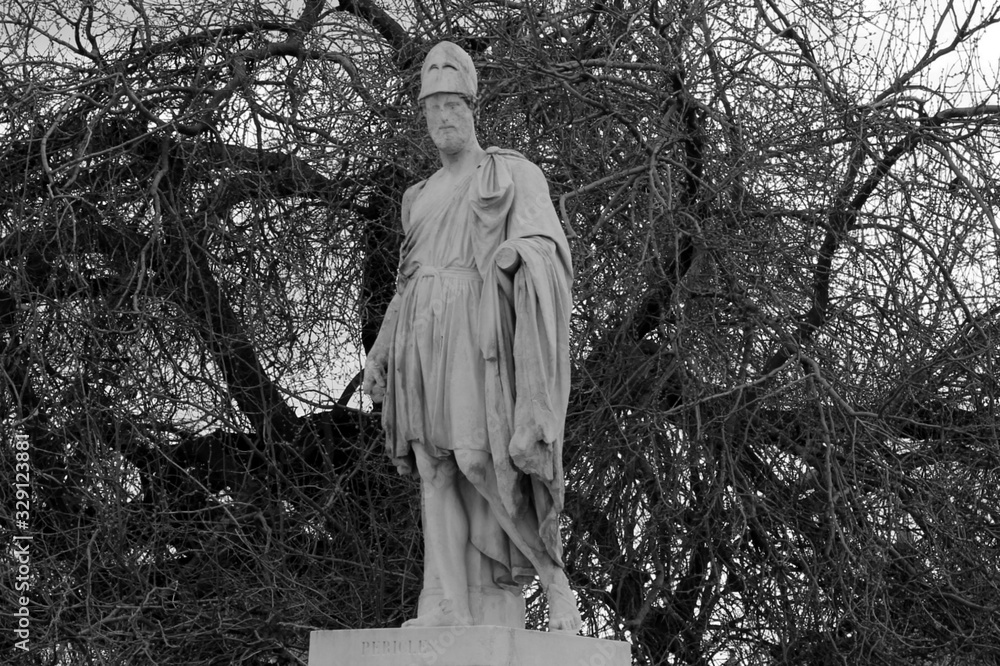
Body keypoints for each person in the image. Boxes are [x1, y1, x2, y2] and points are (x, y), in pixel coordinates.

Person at [363, 41, 581, 633]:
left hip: (478, 328)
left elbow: (551, 255)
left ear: (472, 106)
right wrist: (380, 353)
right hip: (421, 333)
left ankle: (554, 581)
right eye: (432, 109)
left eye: (452, 105)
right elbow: (406, 284)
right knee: (434, 468)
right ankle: (447, 605)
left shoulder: (510, 174)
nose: (443, 119)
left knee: (481, 463)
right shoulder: (418, 196)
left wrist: (516, 257)